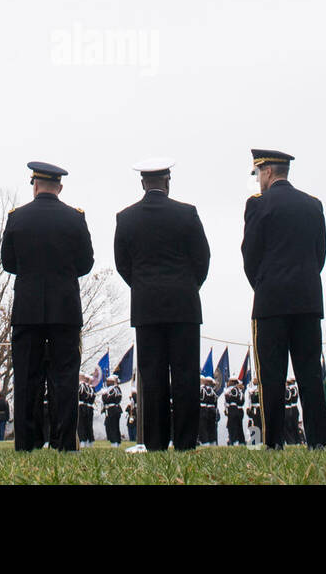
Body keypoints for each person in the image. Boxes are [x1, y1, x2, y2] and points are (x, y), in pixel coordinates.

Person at [113, 157, 211, 451]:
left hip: (147, 307)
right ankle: (184, 442)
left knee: (152, 377)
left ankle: (155, 441)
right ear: (168, 182)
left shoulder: (126, 218)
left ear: (143, 183)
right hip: (184, 306)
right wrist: (189, 287)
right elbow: (202, 259)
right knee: (185, 375)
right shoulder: (187, 214)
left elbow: (122, 264)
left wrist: (143, 287)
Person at [0, 161, 92, 453]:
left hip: (27, 308)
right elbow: (86, 263)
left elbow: (8, 263)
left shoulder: (17, 218)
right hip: (65, 307)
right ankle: (64, 442)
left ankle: (27, 442)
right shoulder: (74, 218)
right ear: (59, 187)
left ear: (35, 185)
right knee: (64, 377)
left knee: (27, 376)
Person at [241, 149, 326, 449]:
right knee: (310, 374)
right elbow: (320, 255)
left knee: (272, 375)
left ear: (266, 172)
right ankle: (318, 441)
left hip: (271, 300)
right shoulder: (313, 205)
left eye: (258, 175)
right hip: (307, 298)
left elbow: (250, 255)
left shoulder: (257, 205)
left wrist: (264, 284)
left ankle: (273, 441)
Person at [100, 376, 123, 446]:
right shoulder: (116, 389)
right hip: (114, 410)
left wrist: (103, 395)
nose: (107, 382)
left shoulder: (113, 390)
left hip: (112, 410)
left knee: (112, 426)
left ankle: (114, 442)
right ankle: (116, 441)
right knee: (114, 426)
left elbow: (107, 400)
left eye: (108, 381)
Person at [224, 379, 246, 446]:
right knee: (237, 426)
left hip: (233, 409)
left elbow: (231, 400)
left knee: (233, 426)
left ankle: (234, 440)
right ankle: (239, 441)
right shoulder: (239, 391)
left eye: (230, 381)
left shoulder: (233, 390)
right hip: (237, 410)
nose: (228, 382)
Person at [77, 374, 96, 447]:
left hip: (81, 406)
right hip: (86, 407)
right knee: (86, 425)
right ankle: (88, 440)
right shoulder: (89, 388)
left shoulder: (81, 386)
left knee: (81, 425)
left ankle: (82, 440)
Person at [199, 377, 218, 445]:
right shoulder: (213, 391)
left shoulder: (202, 389)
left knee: (203, 427)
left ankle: (205, 442)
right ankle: (212, 442)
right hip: (212, 410)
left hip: (203, 409)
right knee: (211, 427)